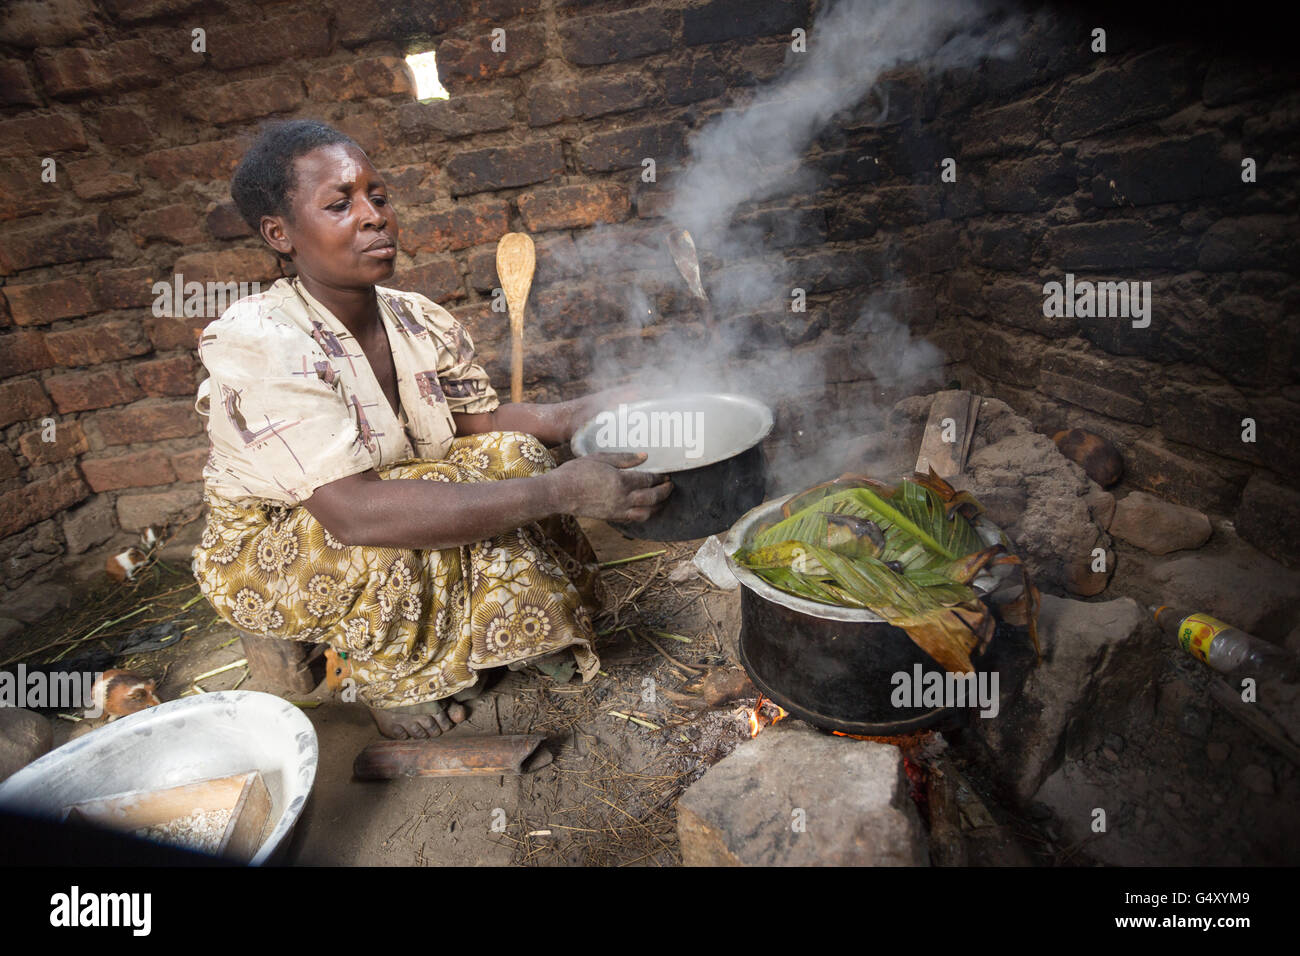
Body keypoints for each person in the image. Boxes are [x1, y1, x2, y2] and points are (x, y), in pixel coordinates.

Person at [191, 120, 672, 739]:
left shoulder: (417, 319)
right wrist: (560, 493)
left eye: (379, 197)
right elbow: (355, 514)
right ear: (279, 234)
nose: (374, 217)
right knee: (423, 505)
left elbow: (484, 424)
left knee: (516, 453)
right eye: (340, 204)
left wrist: (587, 409)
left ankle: (520, 630)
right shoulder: (260, 340)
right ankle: (389, 680)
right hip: (282, 544)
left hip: (385, 494)